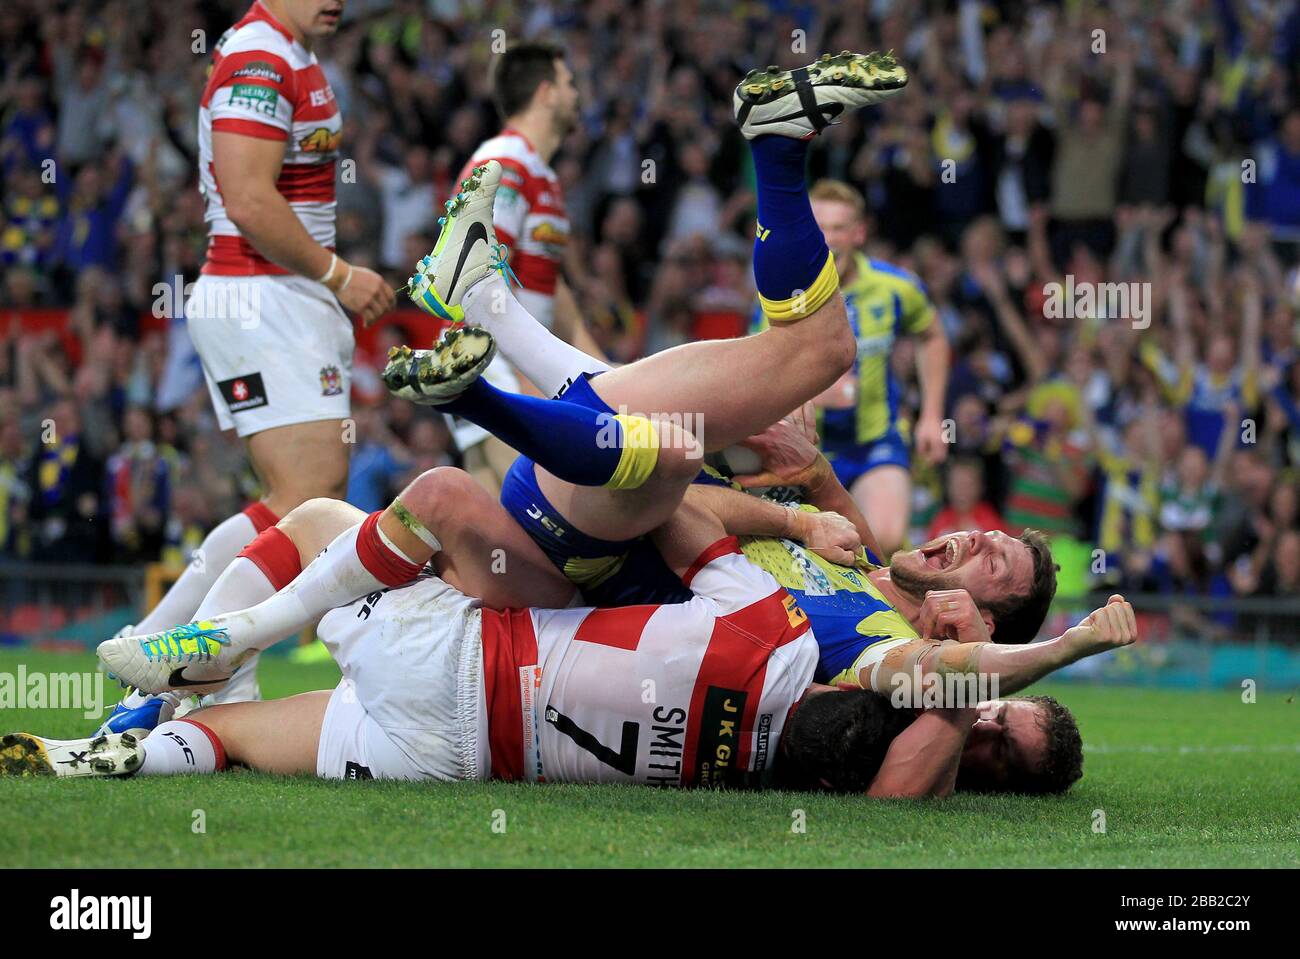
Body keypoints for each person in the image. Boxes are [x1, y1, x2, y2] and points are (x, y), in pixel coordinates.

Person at [102, 0, 394, 715]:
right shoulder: (261, 59)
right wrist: (340, 276)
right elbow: (249, 200)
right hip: (259, 295)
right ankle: (203, 666)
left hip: (278, 297)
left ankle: (163, 641)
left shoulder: (287, 50)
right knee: (308, 492)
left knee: (298, 496)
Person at [755, 179, 951, 557]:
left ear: (859, 233)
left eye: (839, 228)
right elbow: (757, 367)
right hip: (803, 447)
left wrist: (932, 415)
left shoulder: (896, 287)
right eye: (819, 228)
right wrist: (813, 393)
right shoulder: (780, 291)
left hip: (874, 442)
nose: (828, 240)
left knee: (883, 539)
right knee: (810, 551)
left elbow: (932, 336)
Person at [447, 41, 607, 492]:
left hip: (503, 363)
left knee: (494, 520)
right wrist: (526, 373)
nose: (577, 94)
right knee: (554, 500)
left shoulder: (540, 173)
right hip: (494, 362)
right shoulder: (504, 162)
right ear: (546, 92)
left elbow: (552, 289)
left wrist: (602, 369)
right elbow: (478, 270)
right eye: (569, 83)